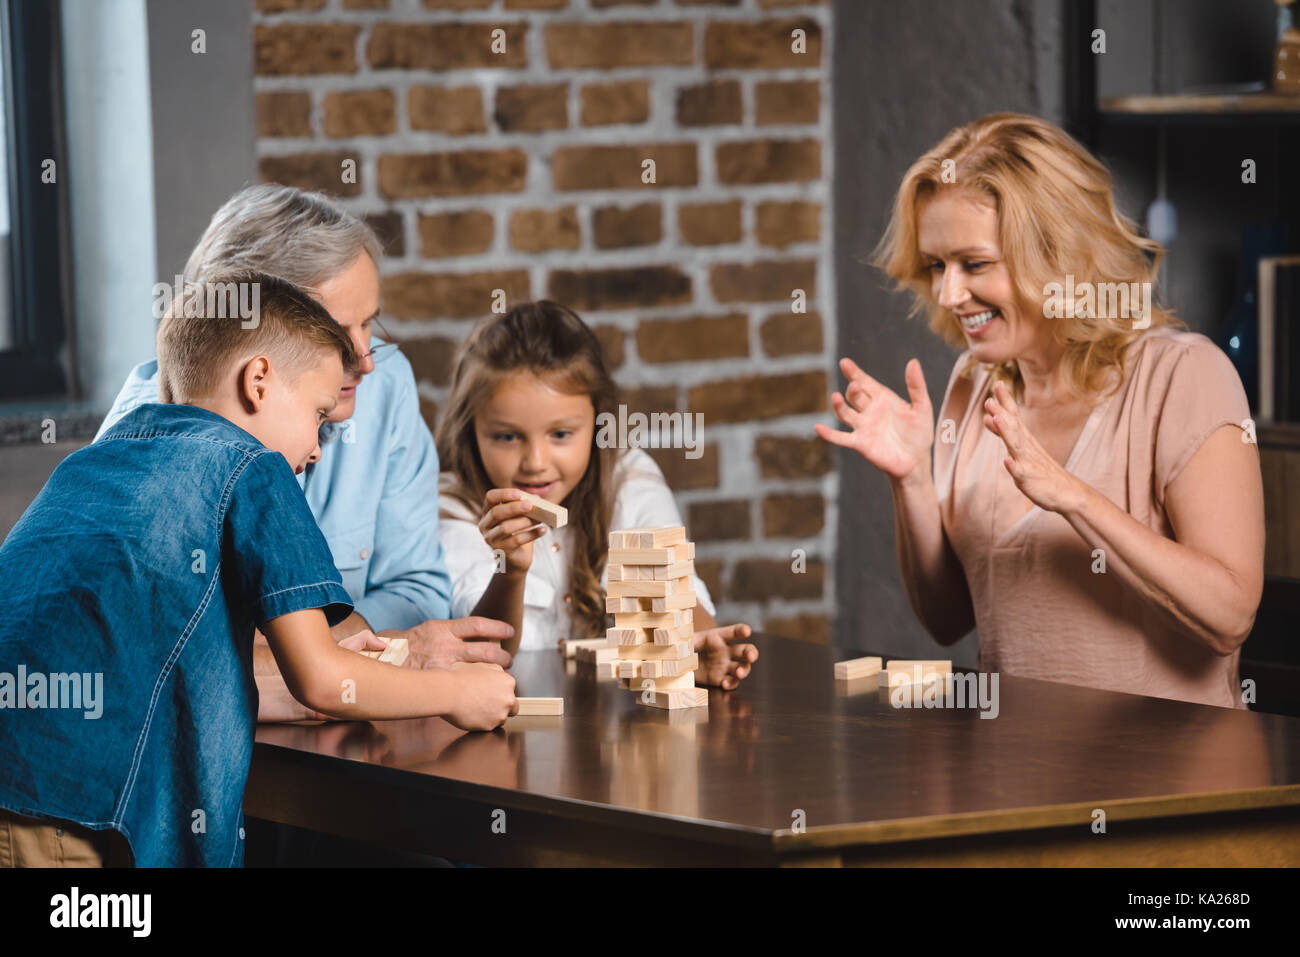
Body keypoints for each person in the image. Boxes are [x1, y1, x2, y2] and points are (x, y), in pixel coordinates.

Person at [0, 275, 517, 867]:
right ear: (259, 381)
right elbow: (320, 678)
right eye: (320, 415)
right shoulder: (254, 469)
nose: (319, 447)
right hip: (69, 816)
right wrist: (457, 692)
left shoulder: (95, 459)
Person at [816, 113, 1264, 709]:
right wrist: (913, 479)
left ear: (1058, 255)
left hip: (1169, 783)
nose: (949, 295)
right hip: (1020, 779)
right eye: (936, 267)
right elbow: (949, 619)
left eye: (974, 265)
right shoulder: (971, 386)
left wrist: (1076, 497)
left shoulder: (1185, 376)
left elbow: (1230, 616)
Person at [95, 184, 512, 722]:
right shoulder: (224, 464)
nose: (365, 360)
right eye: (336, 335)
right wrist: (432, 682)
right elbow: (303, 676)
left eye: (370, 324)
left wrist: (307, 653)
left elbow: (180, 655)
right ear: (256, 362)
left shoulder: (379, 385)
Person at [436, 301, 758, 690]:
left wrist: (693, 648)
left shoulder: (629, 481)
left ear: (598, 423)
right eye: (507, 436)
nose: (535, 463)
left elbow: (676, 588)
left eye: (560, 434)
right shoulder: (453, 509)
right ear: (471, 432)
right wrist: (512, 570)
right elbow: (481, 654)